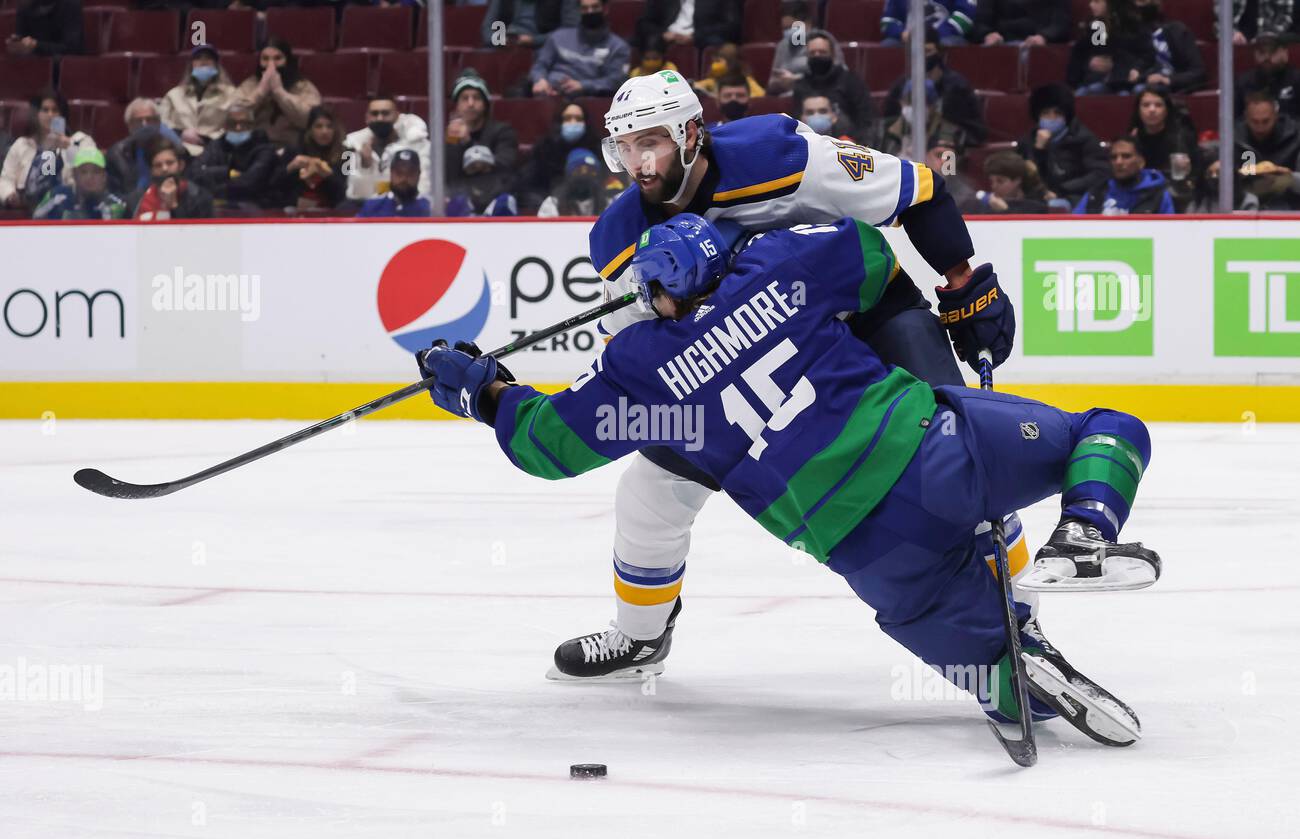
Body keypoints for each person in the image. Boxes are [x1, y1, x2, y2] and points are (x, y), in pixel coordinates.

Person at [414, 213, 1158, 752]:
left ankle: (1009, 671)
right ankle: (1085, 529)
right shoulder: (781, 266)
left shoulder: (639, 368)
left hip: (867, 553)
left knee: (982, 663)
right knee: (1107, 428)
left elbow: (549, 447)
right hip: (936, 458)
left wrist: (485, 392)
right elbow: (870, 255)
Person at [558, 70, 1024, 679]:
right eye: (626, 146)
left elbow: (920, 193)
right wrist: (660, 310)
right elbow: (643, 345)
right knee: (648, 496)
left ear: (692, 132)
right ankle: (640, 637)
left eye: (653, 142)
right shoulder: (618, 238)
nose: (638, 163)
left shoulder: (782, 154)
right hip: (746, 361)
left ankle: (1019, 617)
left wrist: (964, 285)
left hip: (863, 318)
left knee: (961, 449)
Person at [884, 31, 986, 148]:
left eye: (927, 51)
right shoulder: (901, 84)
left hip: (947, 148)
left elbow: (972, 133)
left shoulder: (956, 86)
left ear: (939, 51)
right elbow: (888, 120)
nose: (922, 57)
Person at [1016, 83, 1108, 212]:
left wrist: (1062, 189)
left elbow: (1099, 173)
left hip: (1075, 197)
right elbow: (1023, 175)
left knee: (1055, 206)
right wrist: (1039, 151)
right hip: (1037, 198)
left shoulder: (1084, 139)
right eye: (1046, 113)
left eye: (1057, 113)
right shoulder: (1027, 141)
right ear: (1037, 115)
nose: (1052, 118)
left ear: (1066, 115)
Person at [0, 90, 96, 210]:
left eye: (55, 110)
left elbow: (90, 173)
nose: (50, 115)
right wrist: (10, 195)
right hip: (28, 209)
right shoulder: (22, 145)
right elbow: (6, 178)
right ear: (36, 115)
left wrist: (69, 148)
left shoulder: (80, 141)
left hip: (71, 208)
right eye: (45, 110)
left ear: (62, 114)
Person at [444, 70, 519, 216]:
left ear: (485, 104)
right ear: (457, 106)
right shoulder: (449, 137)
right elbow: (448, 177)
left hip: (495, 197)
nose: (471, 103)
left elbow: (505, 164)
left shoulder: (503, 132)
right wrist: (452, 145)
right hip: (461, 200)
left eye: (476, 98)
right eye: (465, 98)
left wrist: (467, 142)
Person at [1216, 91, 1300, 211]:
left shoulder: (1296, 137)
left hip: (1289, 208)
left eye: (1266, 121)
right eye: (1255, 121)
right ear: (1246, 117)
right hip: (1244, 207)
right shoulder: (1233, 138)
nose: (1260, 128)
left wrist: (1291, 178)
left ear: (1276, 115)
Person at [529, 0, 630, 98]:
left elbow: (616, 81)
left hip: (589, 100)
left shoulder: (618, 47)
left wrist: (583, 86)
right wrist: (540, 80)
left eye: (595, 7)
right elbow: (540, 65)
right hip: (549, 94)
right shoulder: (558, 36)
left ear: (605, 9)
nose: (590, 12)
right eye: (584, 8)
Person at [234, 38, 322, 149]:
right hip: (254, 148)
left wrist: (279, 92)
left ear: (287, 60)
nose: (271, 65)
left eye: (277, 58)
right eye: (265, 59)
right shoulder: (251, 84)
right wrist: (260, 91)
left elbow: (310, 119)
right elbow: (233, 116)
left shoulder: (303, 86)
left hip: (291, 149)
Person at [344, 96, 432, 202]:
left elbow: (424, 187)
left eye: (385, 113)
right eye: (374, 114)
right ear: (367, 117)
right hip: (369, 207)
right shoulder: (351, 146)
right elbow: (354, 195)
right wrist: (365, 168)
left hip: (407, 203)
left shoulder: (418, 145)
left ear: (397, 116)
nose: (380, 118)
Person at [792, 31, 874, 143]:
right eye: (812, 53)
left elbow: (867, 119)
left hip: (850, 144)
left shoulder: (850, 81)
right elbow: (796, 121)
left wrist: (860, 145)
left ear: (833, 54)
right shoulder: (801, 86)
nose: (817, 56)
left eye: (822, 52)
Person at [520, 100, 603, 211]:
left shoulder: (597, 148)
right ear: (559, 122)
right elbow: (529, 184)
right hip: (552, 208)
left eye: (578, 119)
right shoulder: (544, 148)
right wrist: (548, 203)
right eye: (568, 118)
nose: (573, 122)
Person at [191, 104, 277, 208]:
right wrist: (228, 172)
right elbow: (194, 173)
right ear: (225, 126)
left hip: (254, 206)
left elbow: (249, 183)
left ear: (252, 126)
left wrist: (213, 183)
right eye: (233, 123)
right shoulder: (216, 145)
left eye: (244, 123)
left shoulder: (264, 149)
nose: (238, 127)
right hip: (215, 204)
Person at [159, 44, 238, 157]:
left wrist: (208, 140)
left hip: (216, 151)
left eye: (208, 58)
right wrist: (180, 134)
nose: (203, 62)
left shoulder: (231, 94)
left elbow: (236, 125)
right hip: (180, 150)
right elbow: (162, 124)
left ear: (216, 65)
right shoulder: (173, 95)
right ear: (191, 65)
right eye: (198, 58)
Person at [1129, 86, 1198, 211]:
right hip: (1141, 192)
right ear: (1138, 110)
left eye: (1158, 105)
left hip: (1174, 192)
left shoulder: (1181, 136)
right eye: (1146, 105)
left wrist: (1189, 168)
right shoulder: (1133, 137)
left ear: (1167, 110)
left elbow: (1190, 174)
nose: (1152, 110)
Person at [270, 104, 347, 211]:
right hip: (293, 209)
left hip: (330, 210)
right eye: (318, 126)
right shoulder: (294, 151)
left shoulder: (346, 154)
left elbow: (345, 193)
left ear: (335, 130)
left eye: (329, 126)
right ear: (310, 129)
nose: (324, 131)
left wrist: (328, 175)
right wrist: (291, 167)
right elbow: (273, 184)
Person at [1073, 136, 1175, 214]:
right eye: (1113, 157)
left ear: (1141, 162)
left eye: (1126, 156)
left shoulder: (1158, 195)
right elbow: (1074, 228)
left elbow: (1169, 234)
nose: (1119, 162)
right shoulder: (1096, 193)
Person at [106, 98, 185, 198]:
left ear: (158, 122)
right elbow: (114, 193)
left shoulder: (174, 150)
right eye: (138, 121)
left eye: (149, 120)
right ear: (129, 125)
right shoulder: (117, 154)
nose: (144, 125)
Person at [1131, 0, 1207, 94]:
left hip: (1173, 86)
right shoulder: (1130, 36)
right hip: (1141, 84)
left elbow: (1198, 72)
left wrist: (1168, 80)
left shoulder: (1177, 31)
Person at [32, 147, 127, 220]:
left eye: (96, 172)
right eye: (83, 172)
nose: (89, 177)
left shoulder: (115, 204)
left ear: (104, 177)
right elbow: (34, 222)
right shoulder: (56, 196)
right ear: (74, 175)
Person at [133, 138, 214, 220]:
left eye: (170, 163)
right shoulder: (137, 200)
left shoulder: (200, 198)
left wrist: (173, 205)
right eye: (158, 165)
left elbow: (192, 231)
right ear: (151, 171)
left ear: (181, 165)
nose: (164, 169)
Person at [769, 1, 836, 96]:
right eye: (785, 29)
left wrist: (796, 79)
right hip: (787, 98)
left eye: (793, 27)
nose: (789, 32)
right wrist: (780, 82)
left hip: (818, 95)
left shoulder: (823, 39)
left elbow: (837, 75)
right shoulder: (782, 45)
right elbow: (771, 83)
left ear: (807, 23)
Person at [635, 0, 744, 51]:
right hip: (664, 39)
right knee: (649, 41)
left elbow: (732, 26)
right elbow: (644, 23)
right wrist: (663, 34)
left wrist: (695, 37)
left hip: (703, 39)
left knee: (720, 45)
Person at [1236, 33, 1300, 119]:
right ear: (1255, 54)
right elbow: (1236, 121)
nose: (1267, 57)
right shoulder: (1243, 83)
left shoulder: (1297, 80)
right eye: (1262, 51)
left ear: (1285, 53)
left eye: (1272, 51)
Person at [964, 149, 1048, 213]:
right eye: (992, 181)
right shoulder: (984, 206)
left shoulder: (1036, 206)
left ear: (1017, 180)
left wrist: (1005, 211)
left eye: (1000, 181)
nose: (994, 186)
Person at [537, 147, 615, 216]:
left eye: (590, 171)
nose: (584, 175)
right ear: (569, 174)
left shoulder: (609, 203)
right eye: (579, 171)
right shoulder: (553, 203)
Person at [356, 149, 432, 218]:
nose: (404, 178)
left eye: (410, 173)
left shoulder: (430, 207)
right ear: (391, 173)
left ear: (418, 174)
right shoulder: (372, 206)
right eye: (399, 173)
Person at [480, 0, 578, 48]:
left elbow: (569, 31)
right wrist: (501, 40)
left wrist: (535, 41)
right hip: (504, 47)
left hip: (543, 47)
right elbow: (487, 28)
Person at [881, 0, 977, 47]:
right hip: (909, 38)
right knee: (888, 45)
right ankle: (899, 85)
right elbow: (887, 21)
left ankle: (943, 84)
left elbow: (964, 19)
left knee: (943, 45)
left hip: (944, 37)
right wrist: (901, 34)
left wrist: (931, 35)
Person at [974, 0, 1072, 45]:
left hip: (1041, 45)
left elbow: (1061, 22)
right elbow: (980, 22)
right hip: (1002, 43)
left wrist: (1044, 37)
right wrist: (987, 34)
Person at [7, 0, 83, 56]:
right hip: (33, 66)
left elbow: (72, 49)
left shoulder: (70, 4)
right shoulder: (25, 7)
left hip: (64, 67)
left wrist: (36, 46)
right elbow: (22, 38)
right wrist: (16, 45)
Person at [693, 43, 765, 99]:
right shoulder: (714, 81)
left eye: (718, 61)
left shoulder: (745, 80)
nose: (714, 65)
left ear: (732, 63)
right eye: (714, 61)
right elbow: (696, 86)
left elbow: (761, 95)